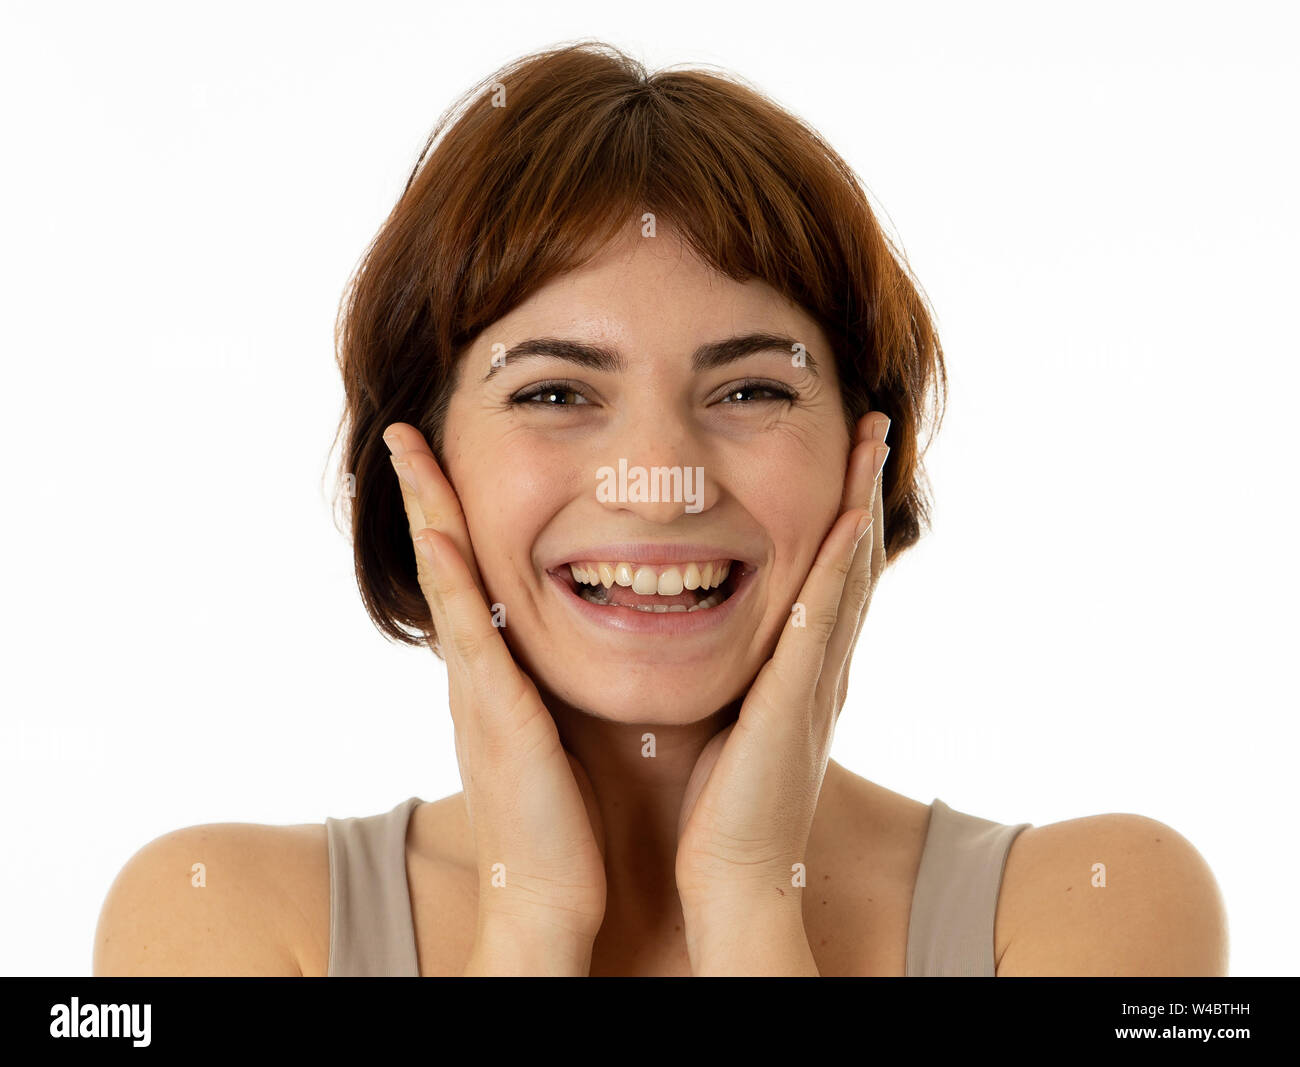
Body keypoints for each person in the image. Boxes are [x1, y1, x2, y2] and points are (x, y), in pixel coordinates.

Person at [94, 41, 1228, 977]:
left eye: (749, 389)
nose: (659, 474)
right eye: (553, 391)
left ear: (862, 458)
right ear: (420, 464)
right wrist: (530, 916)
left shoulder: (1107, 908)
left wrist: (747, 903)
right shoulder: (217, 921)